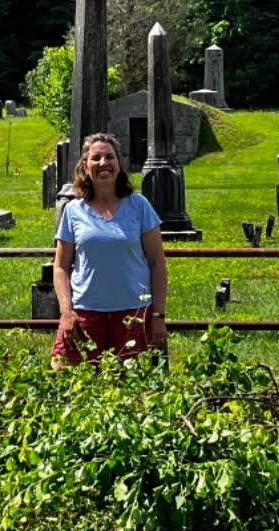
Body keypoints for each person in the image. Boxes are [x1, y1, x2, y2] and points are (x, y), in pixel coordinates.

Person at [51, 133, 167, 369]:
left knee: (132, 390)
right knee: (65, 376)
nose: (103, 163)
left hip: (133, 313)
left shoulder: (139, 206)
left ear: (119, 164)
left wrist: (158, 317)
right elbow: (61, 266)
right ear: (85, 166)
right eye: (96, 158)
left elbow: (157, 263)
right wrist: (66, 312)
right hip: (84, 311)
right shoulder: (73, 211)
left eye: (109, 157)